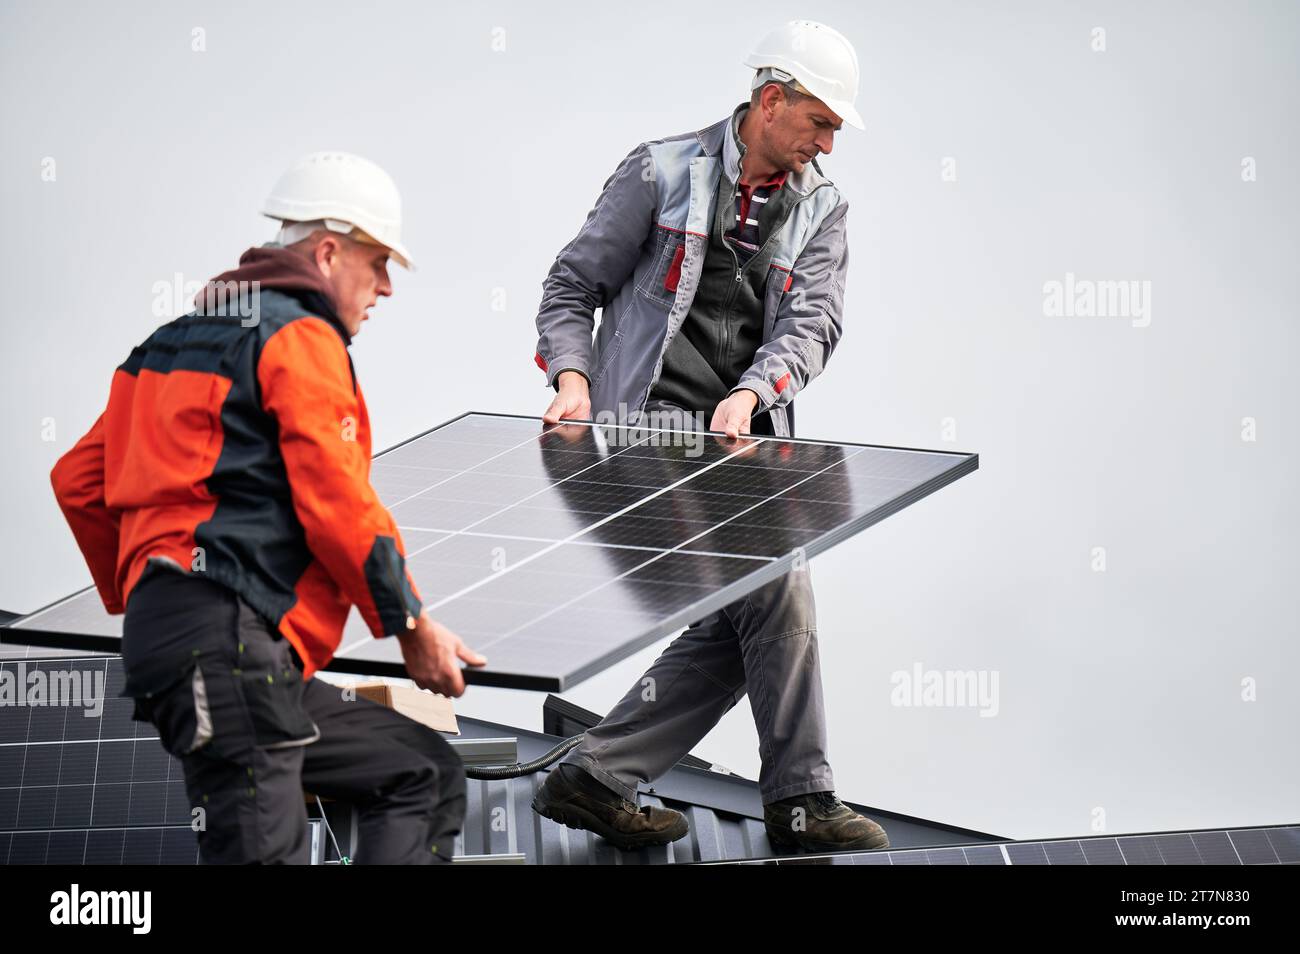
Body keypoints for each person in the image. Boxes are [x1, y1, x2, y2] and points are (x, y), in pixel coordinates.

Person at [50, 151, 486, 864]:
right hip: (225, 642)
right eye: (377, 263)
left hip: (199, 649)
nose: (384, 287)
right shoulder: (301, 338)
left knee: (423, 773)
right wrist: (407, 624)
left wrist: (153, 589)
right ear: (327, 251)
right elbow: (336, 496)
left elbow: (76, 481)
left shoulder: (157, 351)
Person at [530, 21, 890, 852]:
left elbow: (813, 326)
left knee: (752, 624)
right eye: (822, 121)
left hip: (731, 450)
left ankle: (598, 776)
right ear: (773, 100)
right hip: (635, 443)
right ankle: (801, 803)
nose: (829, 142)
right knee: (779, 586)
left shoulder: (824, 209)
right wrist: (573, 380)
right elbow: (569, 287)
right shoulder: (659, 172)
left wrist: (753, 392)